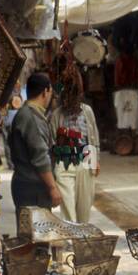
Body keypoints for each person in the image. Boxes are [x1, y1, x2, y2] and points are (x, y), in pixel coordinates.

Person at [9, 72, 62, 214]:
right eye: (50, 91)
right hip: (33, 188)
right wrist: (52, 187)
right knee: (37, 233)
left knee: (29, 232)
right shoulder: (31, 117)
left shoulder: (27, 113)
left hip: (27, 184)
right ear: (45, 92)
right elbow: (40, 157)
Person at [49, 91, 100, 223]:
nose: (69, 100)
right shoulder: (56, 114)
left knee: (84, 209)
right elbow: (51, 143)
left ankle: (80, 240)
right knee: (68, 210)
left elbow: (93, 135)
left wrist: (96, 160)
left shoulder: (87, 111)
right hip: (63, 162)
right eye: (66, 97)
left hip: (86, 159)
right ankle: (71, 241)